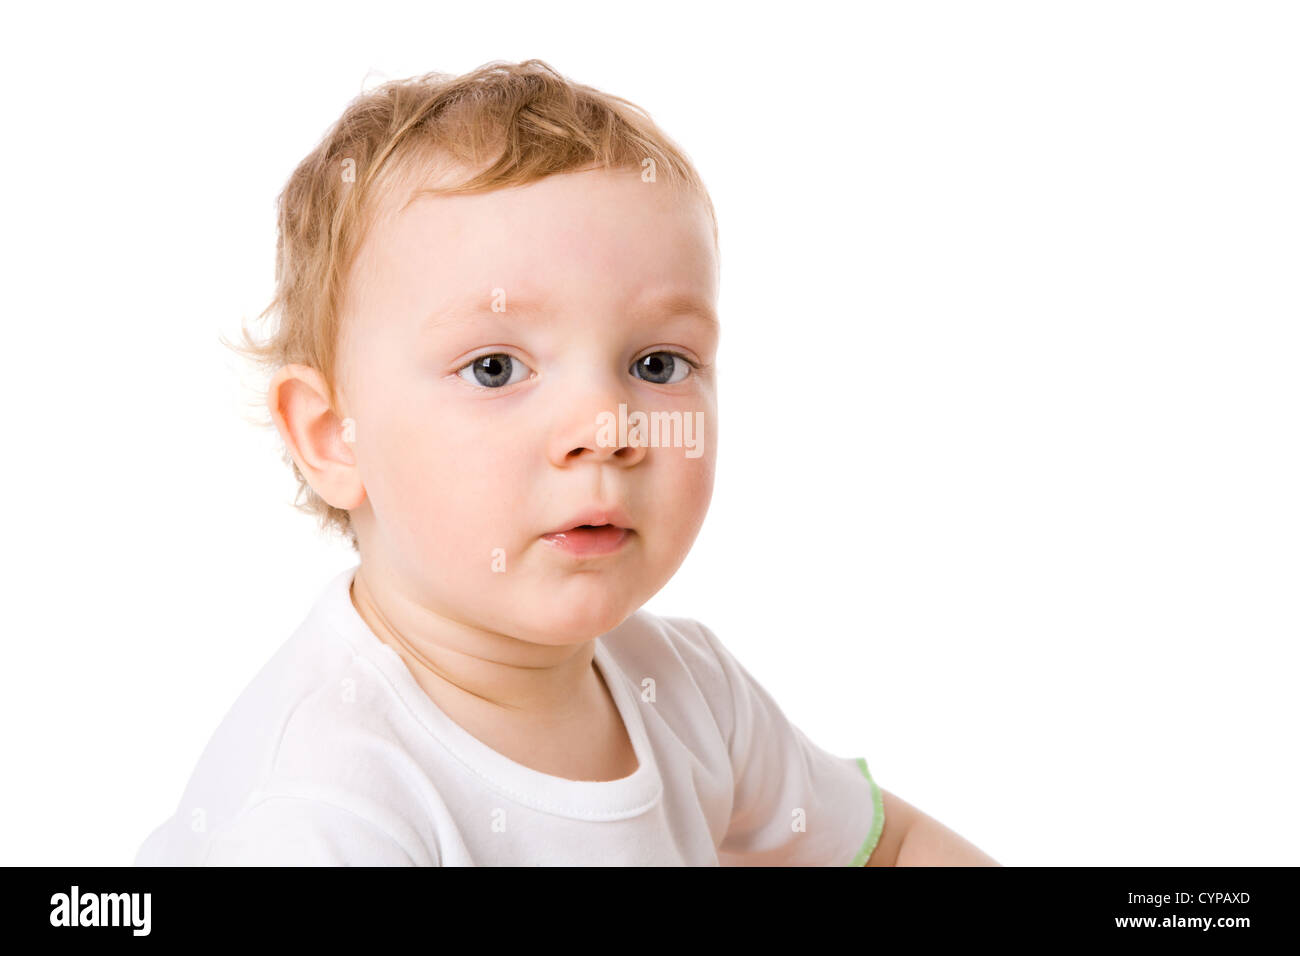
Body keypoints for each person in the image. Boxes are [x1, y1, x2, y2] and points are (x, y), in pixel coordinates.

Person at [133, 58, 998, 866]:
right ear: (332, 436)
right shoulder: (322, 808)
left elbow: (891, 850)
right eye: (495, 368)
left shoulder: (685, 690)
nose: (607, 427)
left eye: (657, 364)